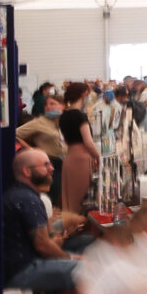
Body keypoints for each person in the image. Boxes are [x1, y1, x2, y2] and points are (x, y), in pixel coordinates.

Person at [3, 148, 92, 294]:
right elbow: (43, 245)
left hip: (21, 262)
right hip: (21, 270)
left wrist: (59, 235)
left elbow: (44, 235)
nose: (52, 168)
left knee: (87, 243)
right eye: (45, 165)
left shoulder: (21, 194)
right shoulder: (27, 199)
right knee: (89, 269)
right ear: (27, 171)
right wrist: (70, 258)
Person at [59, 83, 101, 214]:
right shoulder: (80, 116)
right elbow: (88, 141)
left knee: (70, 198)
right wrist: (99, 157)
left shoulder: (63, 116)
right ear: (83, 94)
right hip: (82, 158)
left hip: (69, 158)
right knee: (81, 199)